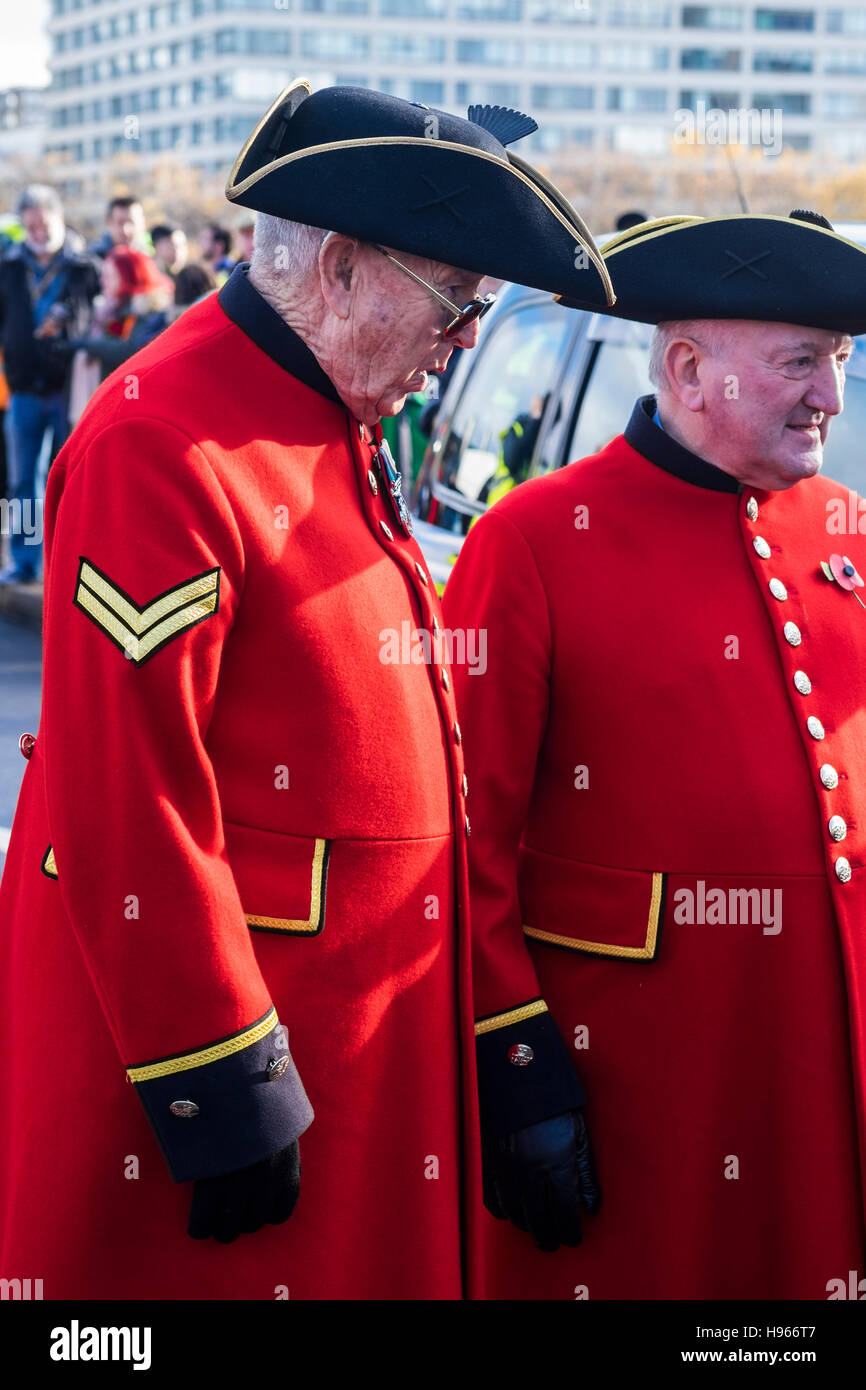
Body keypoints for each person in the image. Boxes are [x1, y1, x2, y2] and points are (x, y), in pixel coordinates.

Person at [0, 80, 613, 1300]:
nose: (462, 349)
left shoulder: (324, 409)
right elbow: (129, 791)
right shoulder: (163, 438)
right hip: (249, 1056)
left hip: (348, 1041)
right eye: (455, 309)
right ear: (338, 266)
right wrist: (215, 1072)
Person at [443, 209, 866, 1300]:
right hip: (637, 1085)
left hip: (823, 1068)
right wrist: (514, 1062)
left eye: (838, 361)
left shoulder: (846, 530)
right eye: (798, 364)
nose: (829, 395)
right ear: (686, 368)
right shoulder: (531, 541)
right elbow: (461, 843)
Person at [0, 185, 98, 583]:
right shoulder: (7, 266)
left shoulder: (85, 267)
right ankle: (25, 564)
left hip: (69, 391)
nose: (38, 231)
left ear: (60, 218)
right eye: (30, 225)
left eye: (44, 222)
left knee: (75, 479)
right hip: (23, 391)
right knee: (23, 481)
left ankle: (73, 566)